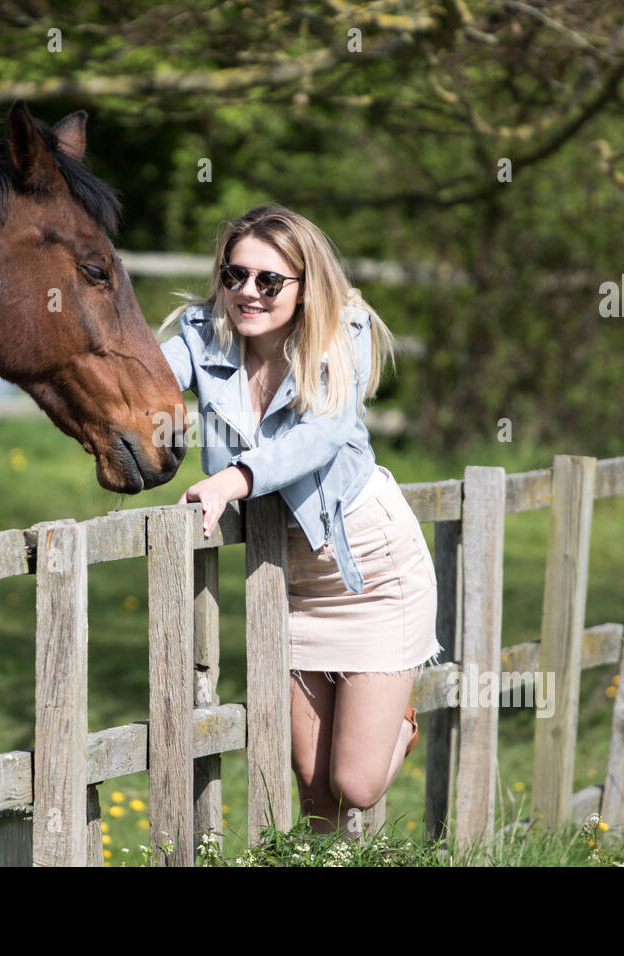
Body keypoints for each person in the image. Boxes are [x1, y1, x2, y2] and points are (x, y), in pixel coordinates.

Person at [157, 204, 441, 837]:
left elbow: (320, 436)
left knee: (355, 784)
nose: (247, 293)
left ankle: (399, 720)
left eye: (268, 281)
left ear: (306, 284)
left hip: (370, 570)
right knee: (314, 793)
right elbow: (144, 379)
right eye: (234, 276)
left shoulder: (344, 336)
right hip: (288, 584)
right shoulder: (204, 334)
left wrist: (232, 479)